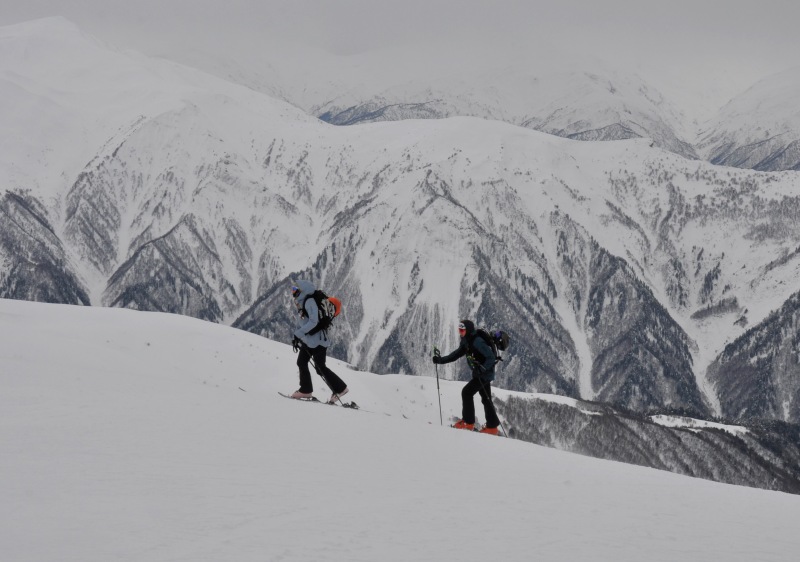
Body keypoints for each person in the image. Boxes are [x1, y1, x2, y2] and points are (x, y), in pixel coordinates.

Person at [432, 320, 500, 435]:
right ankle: (492, 427)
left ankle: (468, 423)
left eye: (462, 330)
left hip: (484, 374)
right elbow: (456, 354)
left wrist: (481, 369)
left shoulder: (477, 342)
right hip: (480, 373)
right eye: (460, 330)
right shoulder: (466, 341)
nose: (461, 333)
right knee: (486, 398)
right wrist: (440, 360)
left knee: (467, 393)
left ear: (468, 330)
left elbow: (491, 357)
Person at [289, 280, 349, 403]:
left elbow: (313, 322)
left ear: (302, 290)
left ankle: (341, 388)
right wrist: (297, 336)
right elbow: (302, 321)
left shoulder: (309, 301)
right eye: (292, 290)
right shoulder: (304, 302)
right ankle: (306, 390)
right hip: (310, 340)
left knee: (320, 367)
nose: (293, 293)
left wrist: (298, 334)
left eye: (295, 290)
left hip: (318, 341)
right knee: (302, 362)